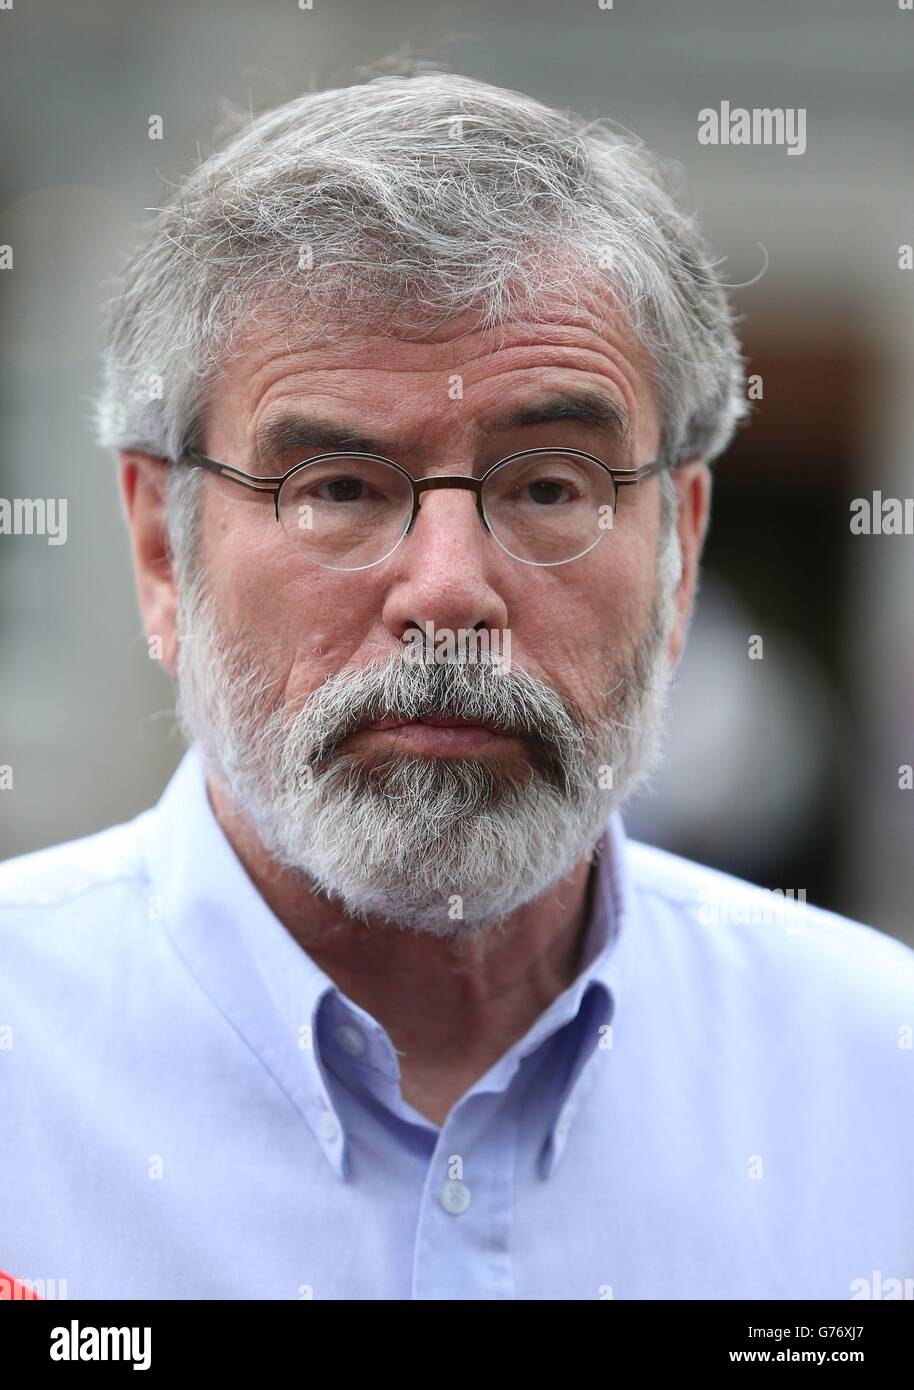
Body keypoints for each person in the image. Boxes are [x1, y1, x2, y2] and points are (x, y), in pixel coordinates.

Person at [1, 71, 911, 1302]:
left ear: (679, 546)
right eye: (335, 486)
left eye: (547, 487)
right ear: (163, 549)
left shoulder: (878, 1075)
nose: (446, 591)